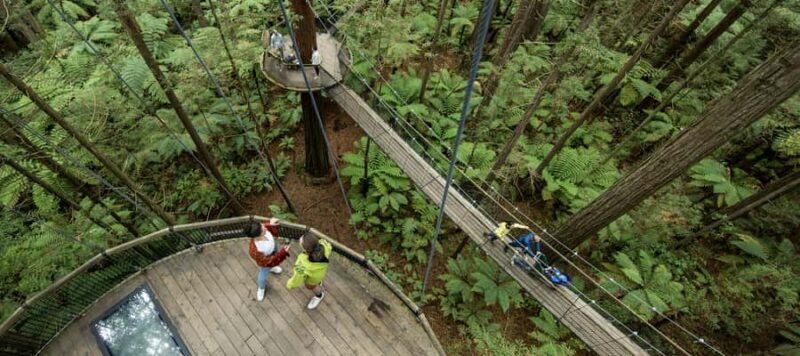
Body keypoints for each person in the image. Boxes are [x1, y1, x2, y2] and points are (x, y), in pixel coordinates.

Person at [246, 219, 290, 301]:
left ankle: (272, 267)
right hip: (266, 259)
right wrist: (282, 253)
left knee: (274, 256)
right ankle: (261, 288)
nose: (265, 228)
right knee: (262, 276)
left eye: (262, 225)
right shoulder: (255, 250)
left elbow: (265, 225)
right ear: (257, 236)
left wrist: (270, 223)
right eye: (263, 230)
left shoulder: (260, 229)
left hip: (273, 247)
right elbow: (267, 261)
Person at [286, 231, 332, 310]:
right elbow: (328, 245)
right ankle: (319, 283)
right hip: (321, 272)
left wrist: (290, 284)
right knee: (317, 281)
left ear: (305, 249)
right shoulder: (323, 246)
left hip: (312, 279)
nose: (300, 239)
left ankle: (319, 295)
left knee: (311, 286)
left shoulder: (302, 264)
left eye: (301, 242)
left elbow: (298, 277)